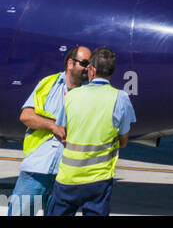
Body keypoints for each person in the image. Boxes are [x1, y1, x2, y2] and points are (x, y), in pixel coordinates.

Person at [45, 46, 135, 217]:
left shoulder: (71, 96)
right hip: (98, 180)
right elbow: (123, 141)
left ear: (92, 70)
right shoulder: (120, 98)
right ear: (111, 71)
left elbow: (63, 132)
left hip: (68, 178)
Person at [8, 44, 92, 216]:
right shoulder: (49, 83)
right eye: (84, 63)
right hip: (36, 169)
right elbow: (26, 116)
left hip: (66, 174)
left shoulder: (90, 94)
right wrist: (53, 126)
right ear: (70, 64)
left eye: (90, 65)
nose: (87, 68)